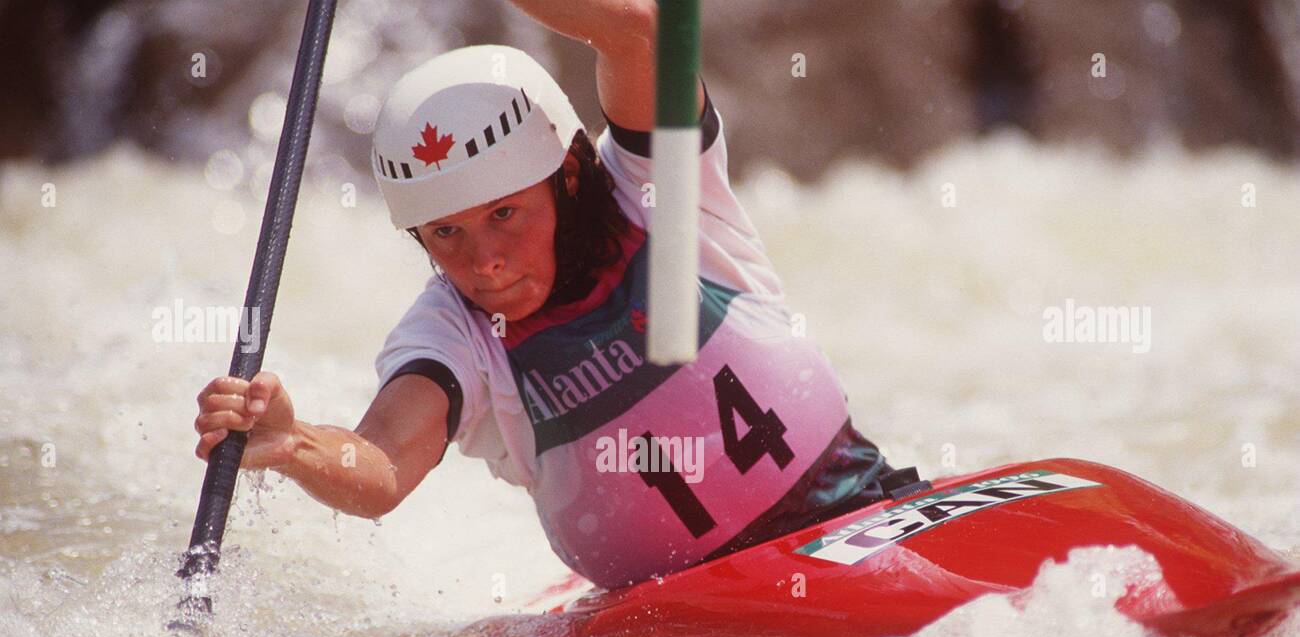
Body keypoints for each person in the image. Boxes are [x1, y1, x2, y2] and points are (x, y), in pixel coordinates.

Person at [194, 2, 896, 590]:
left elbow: (638, 30)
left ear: (567, 173)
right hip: (673, 612)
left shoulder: (656, 194)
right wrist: (294, 442)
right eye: (446, 233)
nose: (485, 261)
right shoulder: (452, 331)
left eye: (505, 214)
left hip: (857, 513)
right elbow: (382, 463)